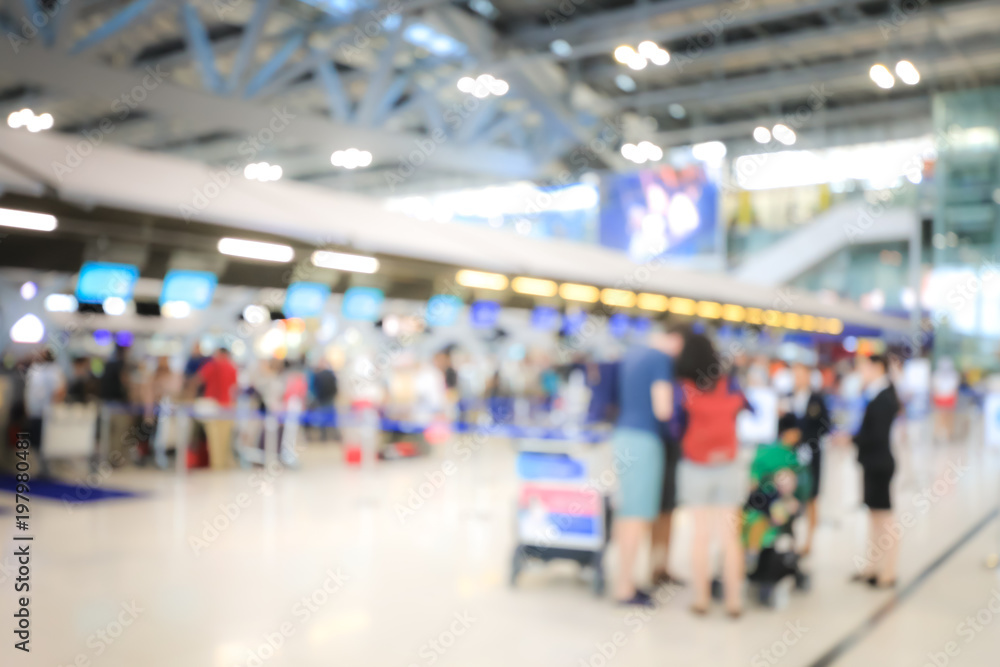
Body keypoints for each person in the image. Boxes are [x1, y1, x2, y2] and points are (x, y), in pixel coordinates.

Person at [674, 333, 749, 617]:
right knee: (730, 536)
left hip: (696, 464)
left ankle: (701, 599)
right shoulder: (728, 382)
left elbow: (675, 424)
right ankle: (733, 601)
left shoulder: (684, 387)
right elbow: (745, 408)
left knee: (700, 535)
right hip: (728, 462)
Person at [611, 326, 676, 606]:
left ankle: (624, 581)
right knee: (637, 516)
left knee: (627, 514)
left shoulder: (631, 354)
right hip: (644, 440)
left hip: (623, 436)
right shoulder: (660, 359)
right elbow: (663, 409)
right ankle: (625, 588)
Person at [852, 354, 901, 588]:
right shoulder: (876, 394)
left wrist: (853, 438)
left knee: (885, 518)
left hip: (880, 463)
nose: (861, 371)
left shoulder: (883, 397)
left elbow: (876, 435)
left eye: (865, 367)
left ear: (878, 367)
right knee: (874, 518)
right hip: (873, 462)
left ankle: (888, 571)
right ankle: (872, 566)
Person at [649, 327, 687, 588]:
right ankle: (652, 566)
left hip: (673, 449)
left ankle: (662, 565)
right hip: (657, 445)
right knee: (656, 510)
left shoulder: (678, 374)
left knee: (668, 510)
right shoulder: (658, 366)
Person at [788, 362, 831, 556]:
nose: (797, 379)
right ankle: (790, 539)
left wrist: (804, 437)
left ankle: (809, 541)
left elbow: (826, 426)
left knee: (811, 496)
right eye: (794, 375)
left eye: (800, 374)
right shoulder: (788, 398)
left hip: (811, 454)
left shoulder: (817, 399)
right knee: (790, 496)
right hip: (791, 456)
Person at [195, 346, 239, 469]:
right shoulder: (232, 367)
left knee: (214, 439)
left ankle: (216, 464)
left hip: (213, 406)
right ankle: (224, 463)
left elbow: (199, 379)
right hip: (228, 406)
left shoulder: (212, 365)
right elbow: (234, 389)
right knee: (225, 438)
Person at [24, 348, 65, 474]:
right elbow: (29, 390)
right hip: (34, 411)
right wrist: (28, 407)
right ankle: (40, 465)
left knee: (46, 440)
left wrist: (52, 407)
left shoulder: (54, 371)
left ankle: (47, 467)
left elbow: (60, 390)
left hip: (46, 412)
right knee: (35, 439)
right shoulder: (35, 369)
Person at [99, 343, 135, 465]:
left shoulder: (108, 364)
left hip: (107, 405)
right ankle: (114, 461)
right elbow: (125, 384)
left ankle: (108, 459)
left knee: (108, 434)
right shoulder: (120, 365)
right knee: (118, 435)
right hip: (118, 406)